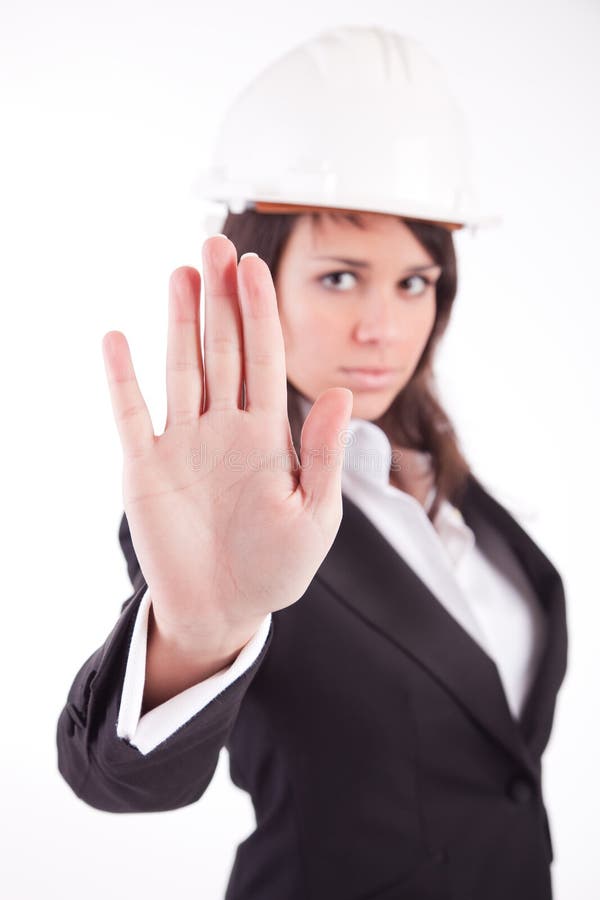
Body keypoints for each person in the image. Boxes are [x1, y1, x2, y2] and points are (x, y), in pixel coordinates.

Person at [56, 25, 568, 900]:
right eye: (339, 276)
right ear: (257, 281)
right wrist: (198, 636)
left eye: (414, 281)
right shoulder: (228, 519)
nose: (383, 326)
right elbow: (117, 775)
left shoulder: (453, 492)